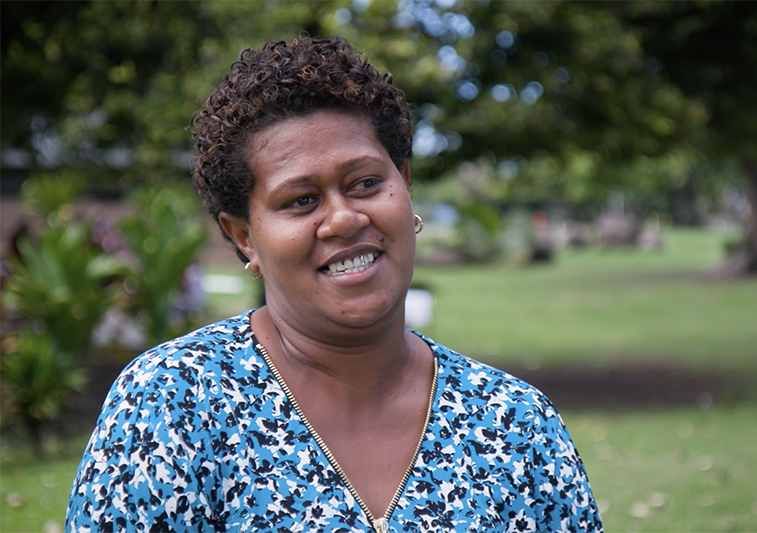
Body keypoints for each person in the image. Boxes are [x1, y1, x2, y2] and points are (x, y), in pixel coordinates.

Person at [67, 36, 603, 532]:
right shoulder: (172, 405)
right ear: (244, 236)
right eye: (301, 200)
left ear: (406, 185)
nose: (344, 219)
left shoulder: (515, 424)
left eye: (366, 183)